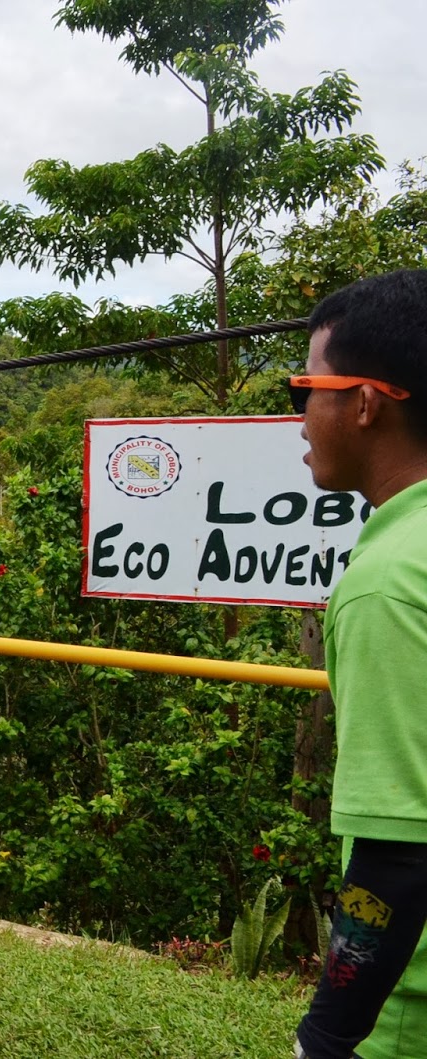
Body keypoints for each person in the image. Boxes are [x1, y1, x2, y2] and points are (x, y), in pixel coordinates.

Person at [293, 270, 427, 1059]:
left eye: (307, 385)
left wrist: (328, 1036)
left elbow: (400, 854)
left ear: (367, 402)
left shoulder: (388, 584)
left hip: (406, 1016)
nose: (301, 414)